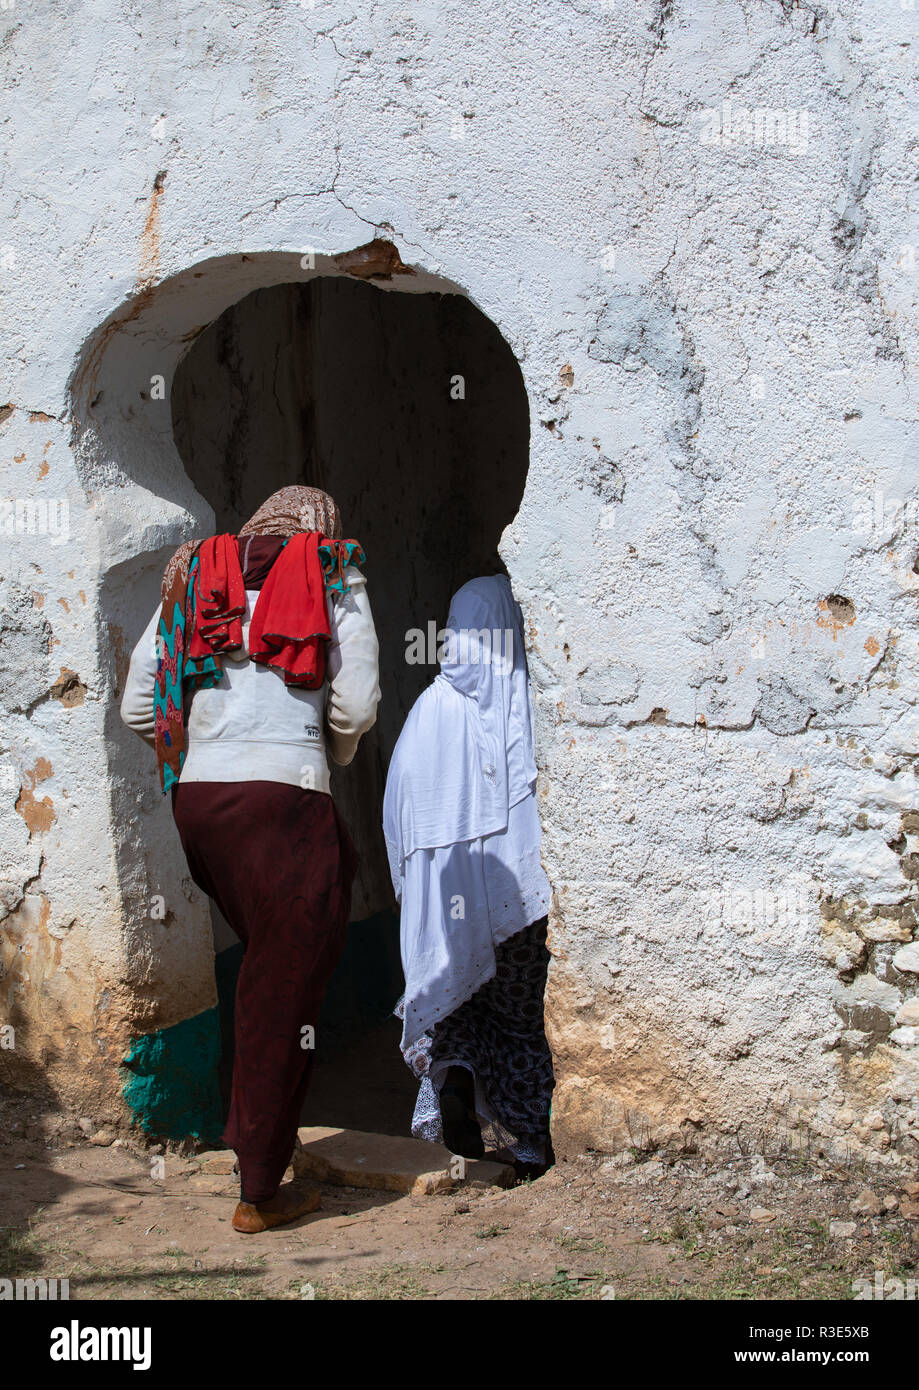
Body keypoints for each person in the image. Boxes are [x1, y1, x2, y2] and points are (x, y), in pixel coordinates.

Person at [120, 485, 380, 1232]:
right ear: (321, 529)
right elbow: (356, 705)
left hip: (201, 809)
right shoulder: (334, 571)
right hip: (286, 804)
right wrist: (314, 758)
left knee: (270, 971)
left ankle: (250, 1142)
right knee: (280, 993)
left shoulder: (192, 576)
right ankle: (260, 1189)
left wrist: (205, 761)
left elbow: (141, 706)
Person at [383, 567, 554, 1178]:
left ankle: (454, 1086)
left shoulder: (428, 708)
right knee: (518, 1019)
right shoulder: (524, 703)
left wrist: (420, 896)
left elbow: (398, 812)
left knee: (458, 1011)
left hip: (442, 909)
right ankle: (531, 1143)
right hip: (512, 907)